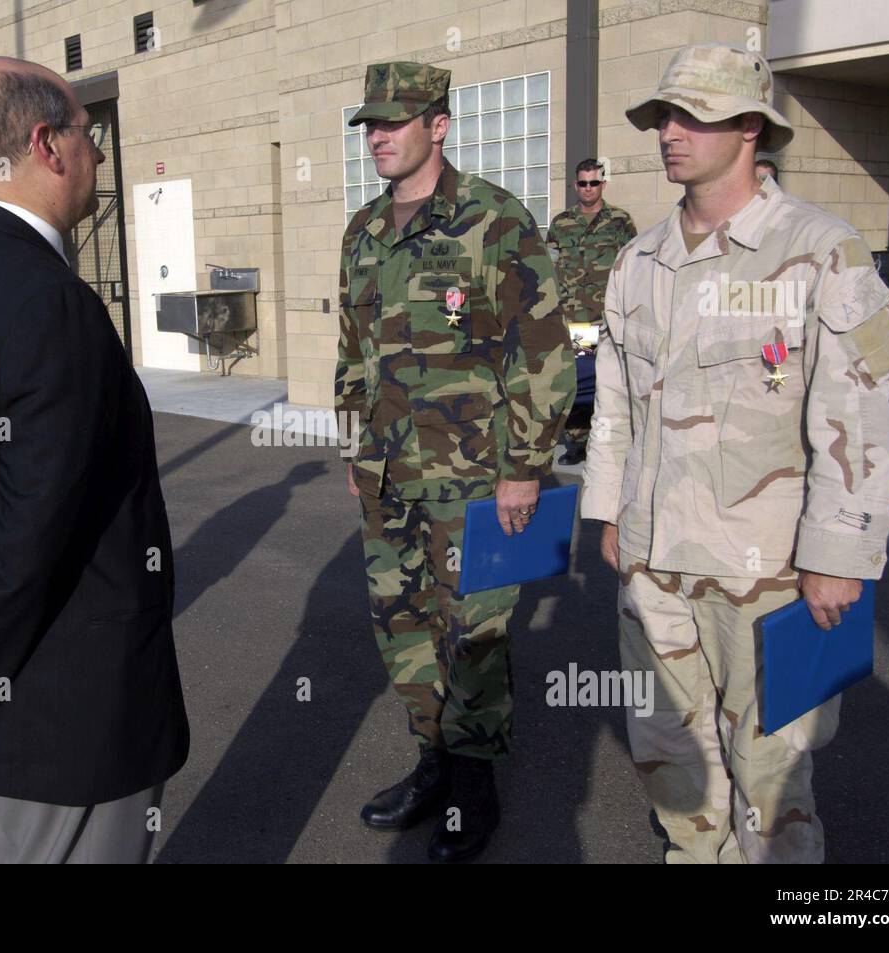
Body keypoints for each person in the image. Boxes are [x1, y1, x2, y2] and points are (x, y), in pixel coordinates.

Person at [583, 43, 889, 863]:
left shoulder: (821, 251)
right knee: (670, 761)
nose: (670, 131)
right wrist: (609, 512)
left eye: (696, 114)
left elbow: (861, 414)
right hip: (655, 565)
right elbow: (615, 405)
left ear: (752, 130)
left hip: (769, 574)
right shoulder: (638, 261)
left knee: (771, 774)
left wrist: (840, 555)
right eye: (664, 114)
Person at [0, 57, 188, 864]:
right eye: (89, 134)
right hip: (68, 708)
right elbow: (35, 521)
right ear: (47, 145)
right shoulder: (49, 299)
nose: (97, 153)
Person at [336, 62, 575, 863]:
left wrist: (526, 465)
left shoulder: (494, 220)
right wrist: (354, 440)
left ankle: (475, 793)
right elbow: (351, 352)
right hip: (386, 476)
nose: (377, 136)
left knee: (473, 631)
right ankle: (433, 763)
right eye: (369, 124)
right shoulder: (363, 231)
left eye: (393, 122)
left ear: (438, 124)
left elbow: (541, 354)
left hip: (474, 477)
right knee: (403, 628)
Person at [545, 158, 637, 464]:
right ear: (575, 185)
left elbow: (633, 267)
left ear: (603, 184)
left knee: (610, 383)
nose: (588, 188)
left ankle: (609, 442)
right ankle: (578, 443)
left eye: (594, 182)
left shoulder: (620, 221)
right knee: (581, 384)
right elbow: (550, 265)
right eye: (583, 183)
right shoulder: (561, 223)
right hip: (578, 321)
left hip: (608, 317)